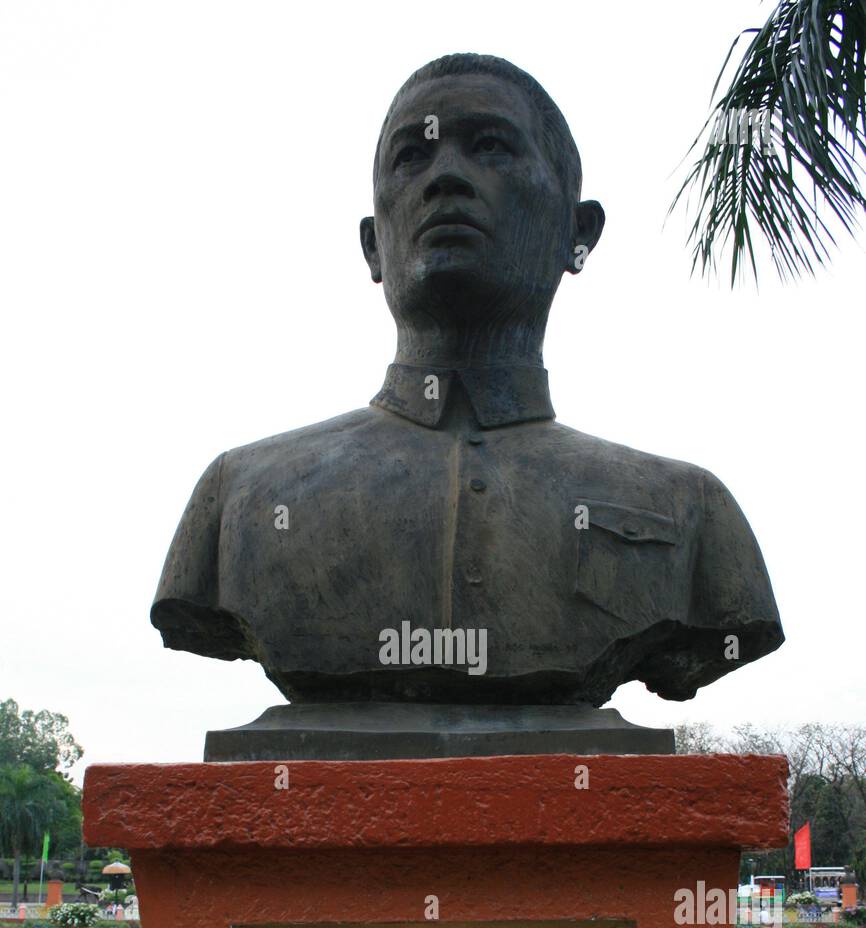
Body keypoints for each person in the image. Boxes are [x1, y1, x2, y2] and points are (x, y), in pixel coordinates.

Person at [151, 53, 784, 711]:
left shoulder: (693, 512)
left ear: (579, 232)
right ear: (374, 245)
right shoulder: (241, 498)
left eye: (490, 147)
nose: (446, 177)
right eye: (411, 159)